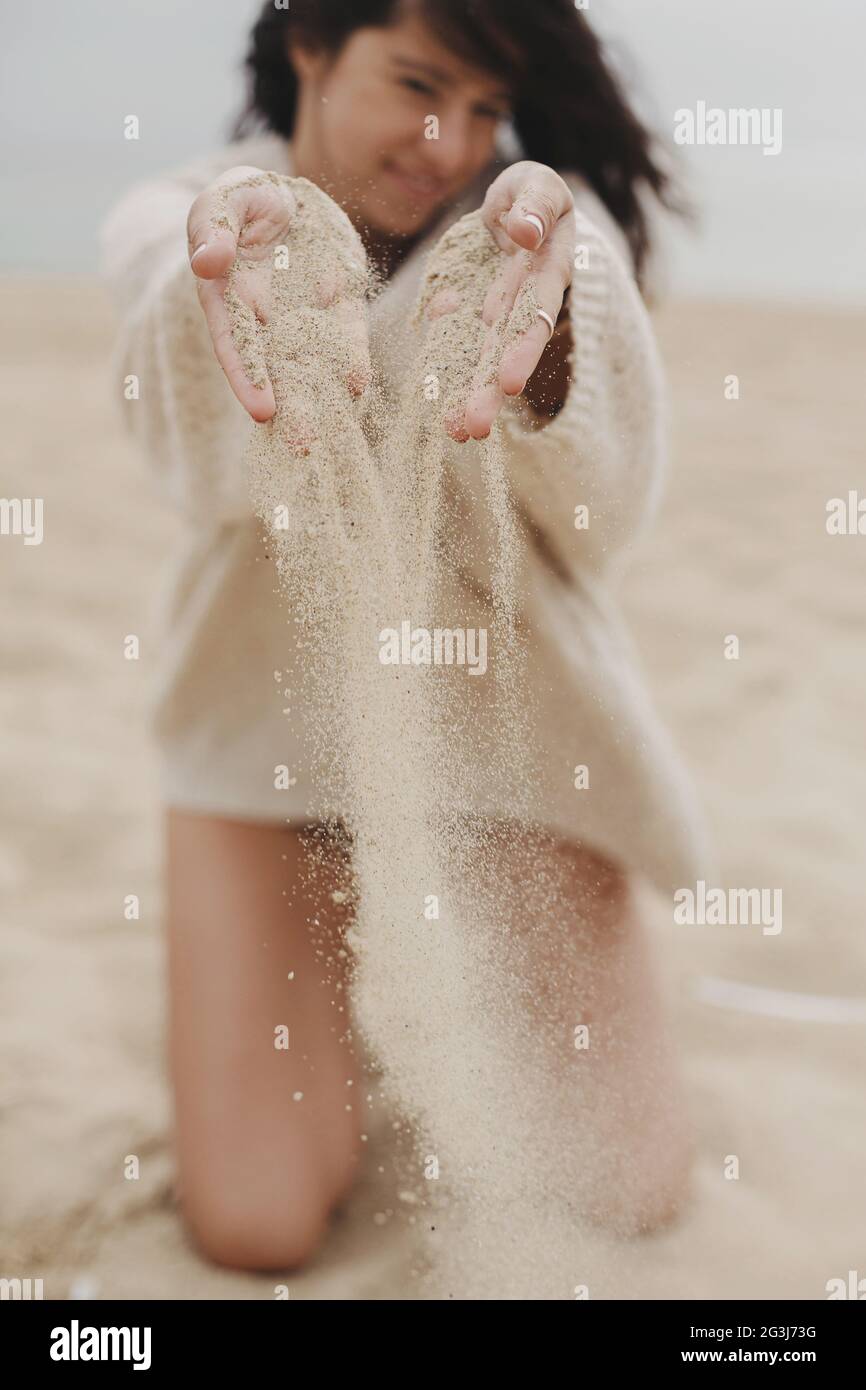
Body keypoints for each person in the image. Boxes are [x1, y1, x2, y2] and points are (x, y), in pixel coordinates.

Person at [99, 0, 711, 1273]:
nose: (447, 141)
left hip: (510, 736)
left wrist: (543, 346)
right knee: (257, 1220)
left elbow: (608, 520)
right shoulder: (193, 214)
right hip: (262, 735)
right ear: (310, 49)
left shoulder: (532, 234)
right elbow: (196, 457)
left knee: (629, 1184)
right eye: (417, 82)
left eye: (482, 107)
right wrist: (247, 285)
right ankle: (313, 1007)